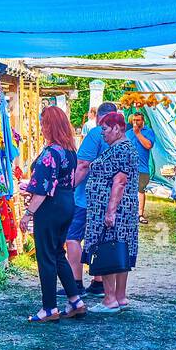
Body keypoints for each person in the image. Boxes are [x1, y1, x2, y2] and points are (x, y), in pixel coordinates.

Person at [21, 105, 84, 320]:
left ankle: (49, 308)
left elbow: (43, 189)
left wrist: (28, 213)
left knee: (46, 256)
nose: (41, 129)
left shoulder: (51, 153)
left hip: (50, 206)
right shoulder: (69, 151)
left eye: (43, 124)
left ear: (51, 126)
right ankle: (75, 301)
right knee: (57, 254)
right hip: (67, 202)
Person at [84, 111, 141, 313]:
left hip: (114, 210)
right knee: (120, 249)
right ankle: (120, 297)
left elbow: (119, 182)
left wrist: (110, 212)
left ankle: (109, 299)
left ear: (117, 128)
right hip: (122, 209)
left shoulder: (121, 149)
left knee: (108, 249)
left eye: (105, 130)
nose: (103, 134)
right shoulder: (123, 148)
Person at [66, 100, 118, 299]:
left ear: (98, 118)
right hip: (109, 198)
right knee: (99, 238)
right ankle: (98, 282)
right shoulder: (121, 137)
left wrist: (69, 188)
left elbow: (83, 165)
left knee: (72, 236)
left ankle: (76, 282)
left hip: (85, 197)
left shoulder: (95, 134)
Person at [128, 109, 156, 224]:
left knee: (140, 190)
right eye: (134, 120)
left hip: (142, 168)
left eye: (138, 120)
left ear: (143, 121)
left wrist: (138, 134)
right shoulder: (128, 133)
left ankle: (140, 214)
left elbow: (148, 145)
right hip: (128, 167)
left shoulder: (148, 132)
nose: (135, 122)